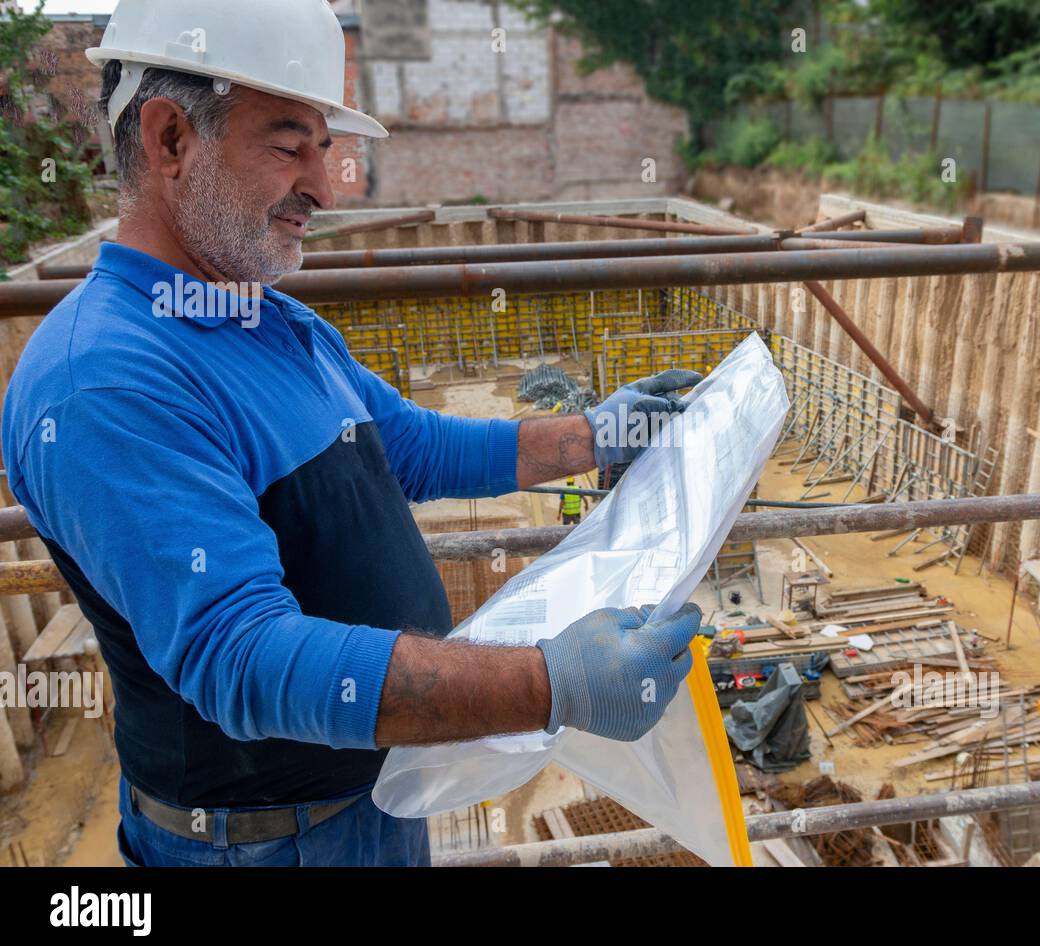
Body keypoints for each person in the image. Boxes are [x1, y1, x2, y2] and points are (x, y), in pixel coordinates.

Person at [0, 0, 702, 867]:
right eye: (290, 145)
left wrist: (592, 436)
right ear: (171, 138)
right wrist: (549, 683)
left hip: (371, 800)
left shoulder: (269, 320)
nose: (325, 188)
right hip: (262, 845)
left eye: (325, 149)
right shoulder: (106, 381)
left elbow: (404, 446)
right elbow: (242, 655)